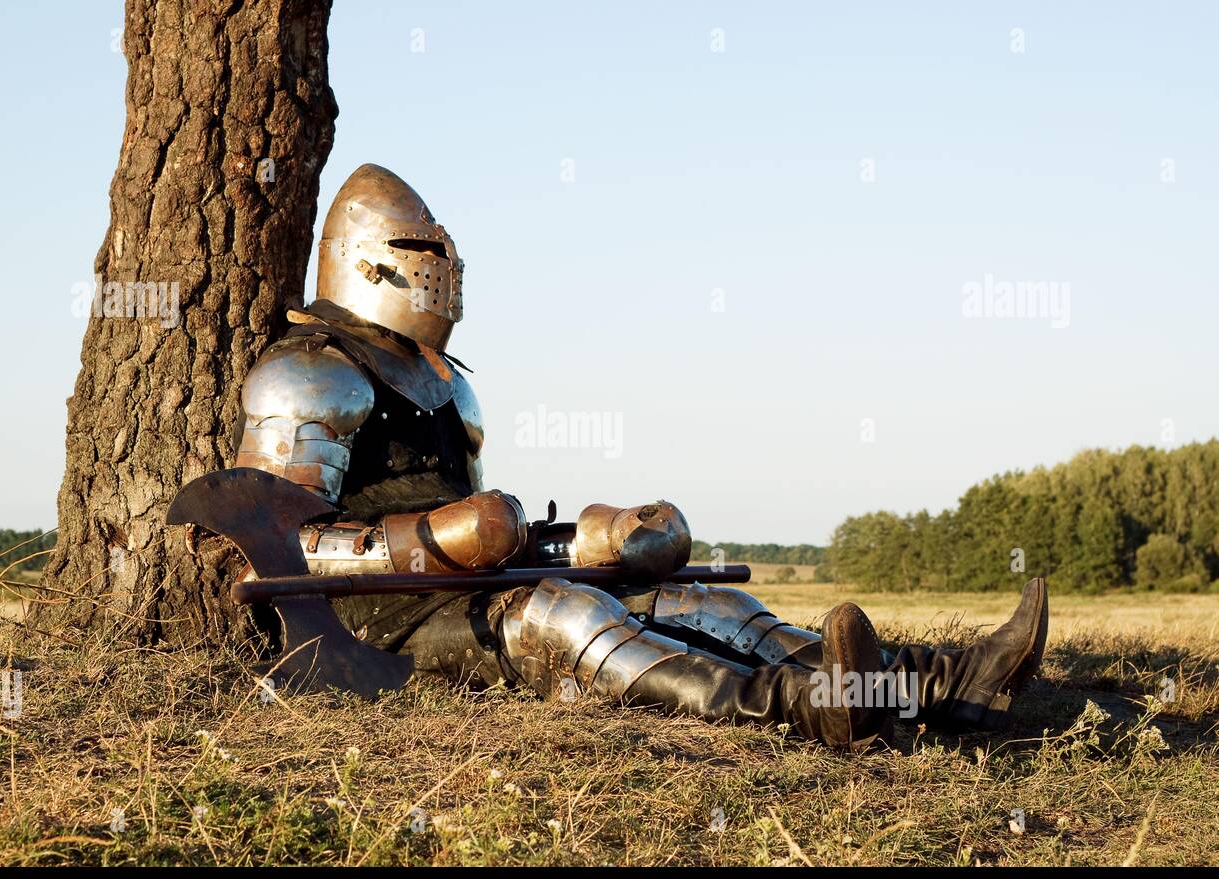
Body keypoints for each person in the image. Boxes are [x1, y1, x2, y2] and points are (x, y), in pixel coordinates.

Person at [230, 163, 1047, 752]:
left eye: (440, 253)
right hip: (376, 623)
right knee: (572, 618)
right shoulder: (308, 373)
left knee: (702, 605)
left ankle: (948, 682)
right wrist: (434, 541)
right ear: (369, 259)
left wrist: (599, 538)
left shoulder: (445, 386)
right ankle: (814, 707)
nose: (437, 271)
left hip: (469, 588)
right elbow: (285, 541)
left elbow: (497, 535)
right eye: (418, 251)